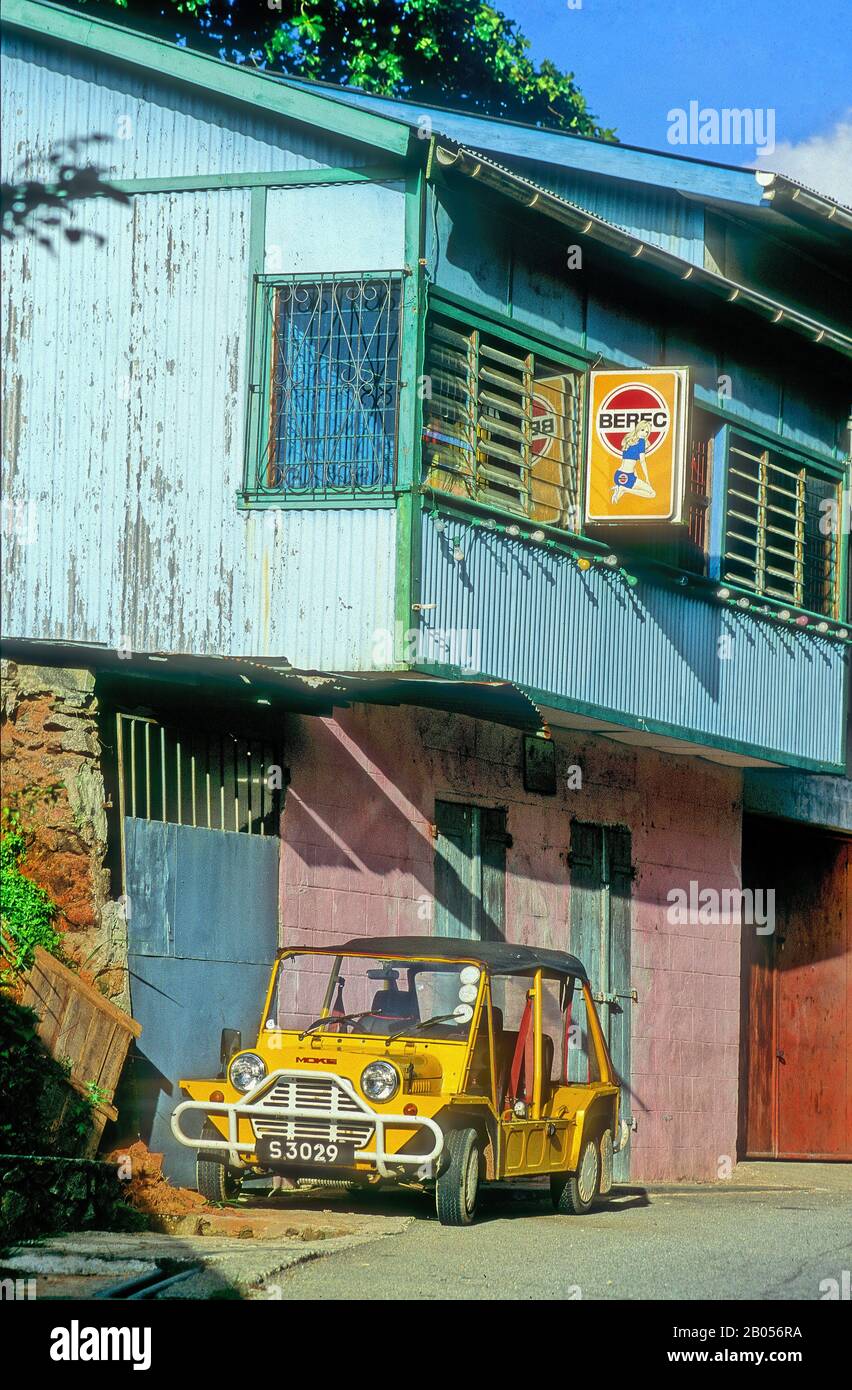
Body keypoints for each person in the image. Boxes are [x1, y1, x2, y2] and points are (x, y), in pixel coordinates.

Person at [611, 420, 656, 503]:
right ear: (638, 429)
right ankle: (624, 489)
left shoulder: (628, 440)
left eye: (647, 432)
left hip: (618, 475)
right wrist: (647, 478)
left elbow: (629, 462)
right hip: (627, 478)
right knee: (652, 493)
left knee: (614, 502)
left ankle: (620, 487)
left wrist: (636, 476)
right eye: (642, 430)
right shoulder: (641, 442)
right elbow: (642, 461)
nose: (644, 433)